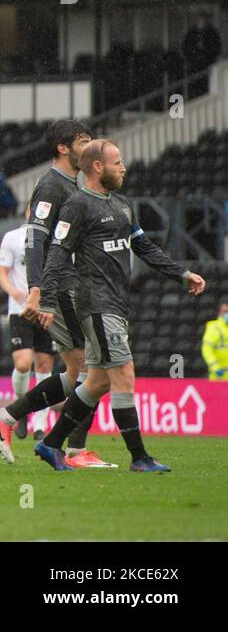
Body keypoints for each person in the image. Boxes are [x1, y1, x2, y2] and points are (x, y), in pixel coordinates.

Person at [33, 139, 206, 472]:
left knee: (97, 382)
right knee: (124, 375)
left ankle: (51, 444)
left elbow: (143, 247)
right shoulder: (77, 205)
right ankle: (139, 458)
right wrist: (48, 299)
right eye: (117, 162)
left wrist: (181, 274)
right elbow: (56, 252)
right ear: (97, 166)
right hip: (95, 303)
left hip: (116, 303)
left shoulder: (123, 205)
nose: (123, 167)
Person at [0, 119, 114, 468]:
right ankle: (73, 450)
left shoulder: (76, 185)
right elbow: (36, 240)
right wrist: (39, 291)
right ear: (63, 147)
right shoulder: (51, 187)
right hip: (62, 288)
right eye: (84, 141)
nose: (90, 146)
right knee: (90, 370)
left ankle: (8, 418)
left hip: (74, 286)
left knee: (79, 374)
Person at [0, 205, 54, 441]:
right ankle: (21, 409)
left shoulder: (53, 238)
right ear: (28, 211)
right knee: (23, 364)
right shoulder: (12, 238)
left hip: (47, 311)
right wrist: (13, 292)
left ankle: (40, 426)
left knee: (44, 366)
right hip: (20, 310)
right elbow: (2, 273)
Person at [182, 11, 222, 96]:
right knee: (195, 86)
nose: (201, 21)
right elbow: (186, 47)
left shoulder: (211, 33)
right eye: (199, 19)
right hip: (194, 66)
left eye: (202, 19)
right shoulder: (192, 33)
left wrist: (209, 58)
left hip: (207, 64)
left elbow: (216, 47)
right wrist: (191, 59)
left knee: (206, 86)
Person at [202, 302, 228, 380]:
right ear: (219, 312)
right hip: (219, 375)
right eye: (225, 311)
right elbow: (206, 350)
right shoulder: (214, 328)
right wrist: (216, 367)